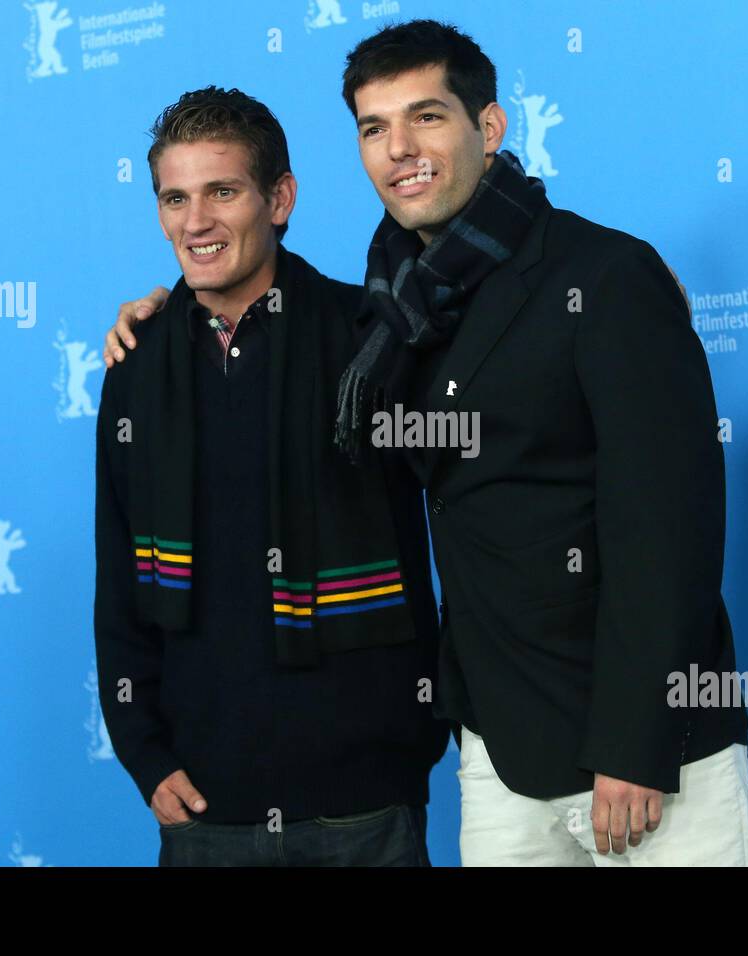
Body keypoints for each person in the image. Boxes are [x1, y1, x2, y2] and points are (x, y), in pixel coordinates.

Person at [105, 21, 748, 867]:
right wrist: (154, 326)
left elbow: (669, 528)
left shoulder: (604, 276)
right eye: (375, 129)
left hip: (643, 749)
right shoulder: (400, 317)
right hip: (496, 745)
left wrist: (636, 740)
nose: (400, 149)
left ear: (488, 128)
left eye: (426, 118)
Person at [93, 85, 450, 867]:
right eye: (175, 198)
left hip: (364, 804)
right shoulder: (135, 366)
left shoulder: (373, 338)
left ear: (279, 198)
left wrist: (413, 741)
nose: (196, 222)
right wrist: (143, 755)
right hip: (203, 809)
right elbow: (118, 576)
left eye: (223, 191)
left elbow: (475, 528)